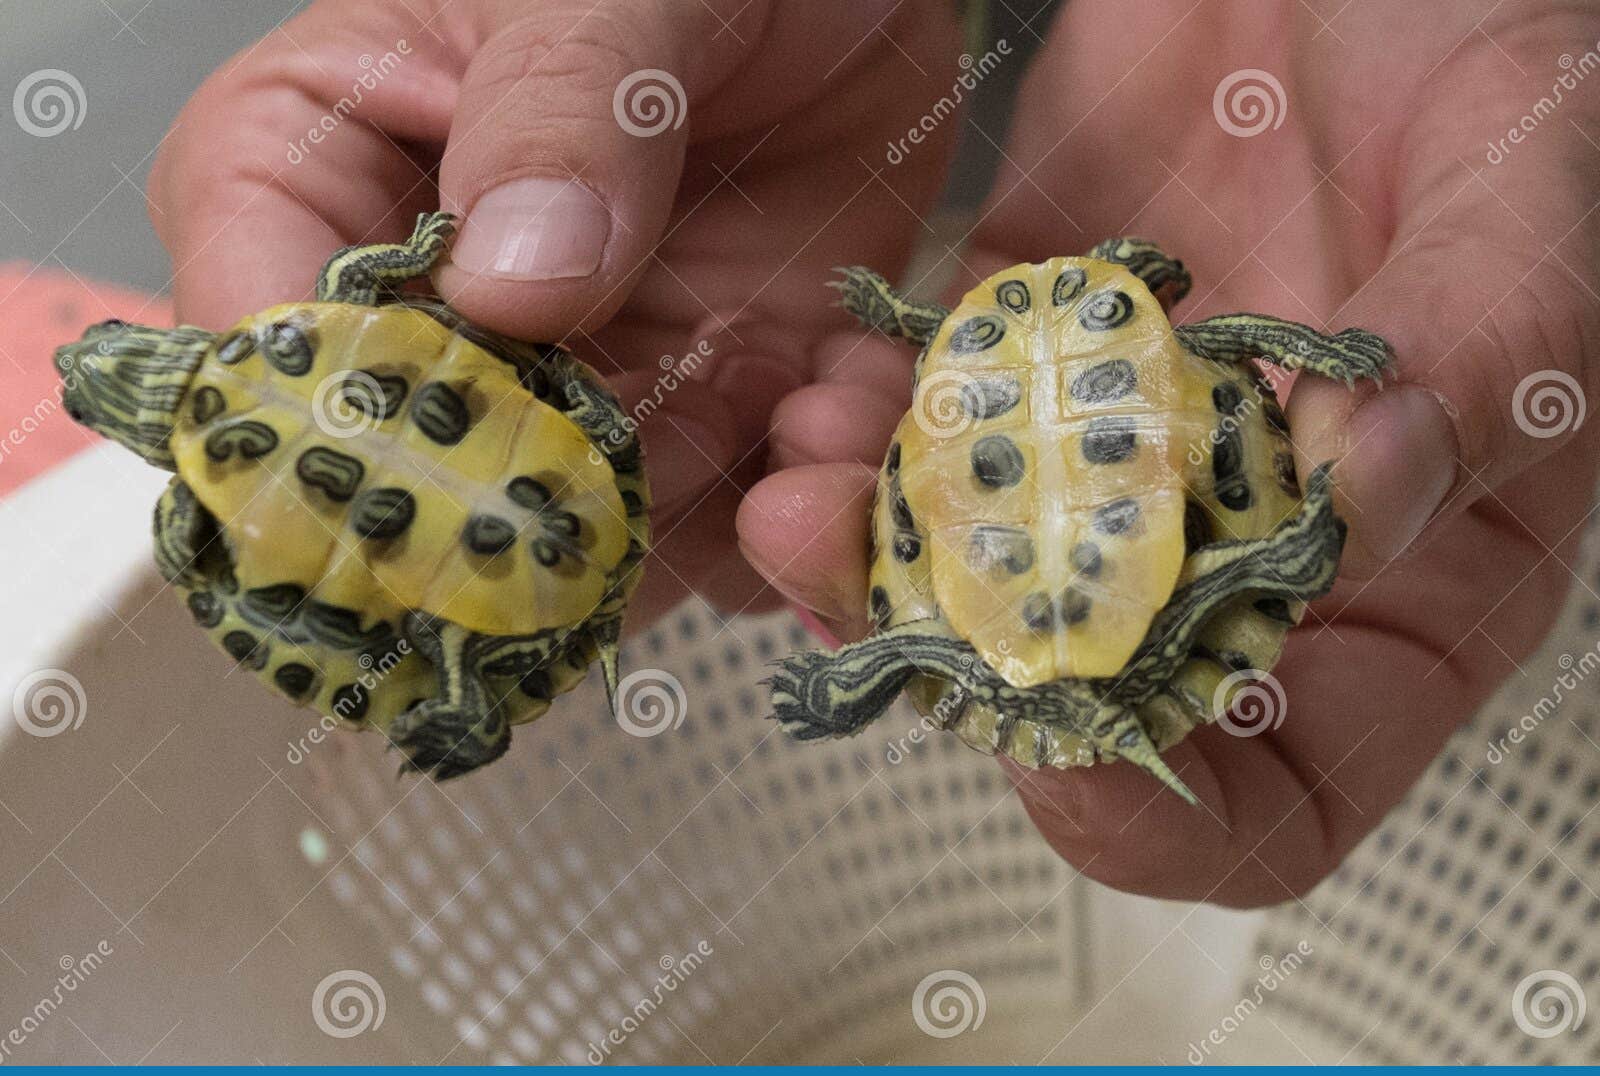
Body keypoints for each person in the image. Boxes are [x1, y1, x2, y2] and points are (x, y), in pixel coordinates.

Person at [150, 0, 1600, 906]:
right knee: (1036, 586)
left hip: (948, 468)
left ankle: (920, 655)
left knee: (1006, 592)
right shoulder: (1102, 334)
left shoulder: (997, 332)